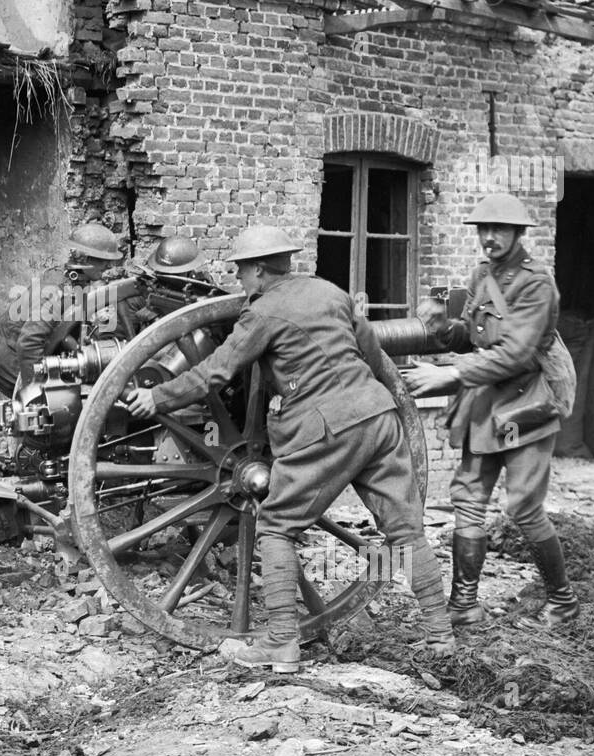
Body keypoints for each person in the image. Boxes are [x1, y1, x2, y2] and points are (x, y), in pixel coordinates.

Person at [126, 225, 454, 670]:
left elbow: (216, 374)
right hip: (379, 418)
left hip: (325, 427)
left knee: (277, 526)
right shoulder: (330, 292)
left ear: (259, 270)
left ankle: (281, 643)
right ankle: (441, 638)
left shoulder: (261, 313)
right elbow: (376, 360)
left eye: (242, 271)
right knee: (406, 531)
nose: (240, 280)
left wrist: (157, 397)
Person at [402, 193, 579, 626]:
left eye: (498, 230)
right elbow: (476, 336)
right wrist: (444, 329)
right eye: (483, 229)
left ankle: (562, 600)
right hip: (487, 400)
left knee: (522, 508)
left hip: (528, 404)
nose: (488, 238)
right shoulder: (482, 274)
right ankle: (464, 605)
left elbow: (517, 353)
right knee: (467, 501)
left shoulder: (537, 284)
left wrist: (451, 375)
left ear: (519, 234)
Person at [0, 222, 125, 397]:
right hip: (5, 358)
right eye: (103, 260)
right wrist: (34, 391)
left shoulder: (74, 280)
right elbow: (29, 342)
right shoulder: (59, 291)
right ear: (84, 259)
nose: (109, 266)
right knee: (53, 406)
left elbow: (64, 328)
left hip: (15, 349)